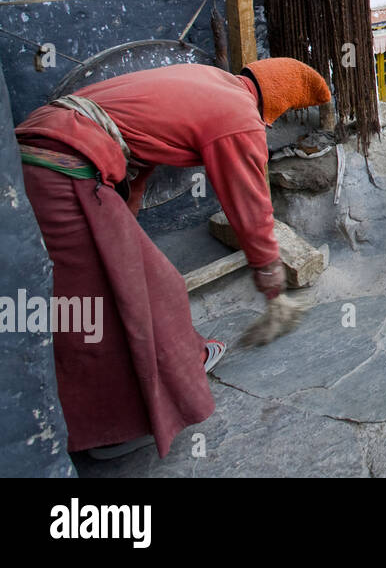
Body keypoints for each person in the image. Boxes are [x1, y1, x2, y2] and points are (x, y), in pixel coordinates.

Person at [15, 58, 333, 458]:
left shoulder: (207, 79)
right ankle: (119, 427)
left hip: (46, 146)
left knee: (137, 284)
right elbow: (250, 209)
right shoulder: (239, 118)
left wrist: (123, 227)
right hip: (62, 167)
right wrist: (271, 280)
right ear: (276, 106)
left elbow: (140, 153)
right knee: (105, 304)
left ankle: (182, 362)